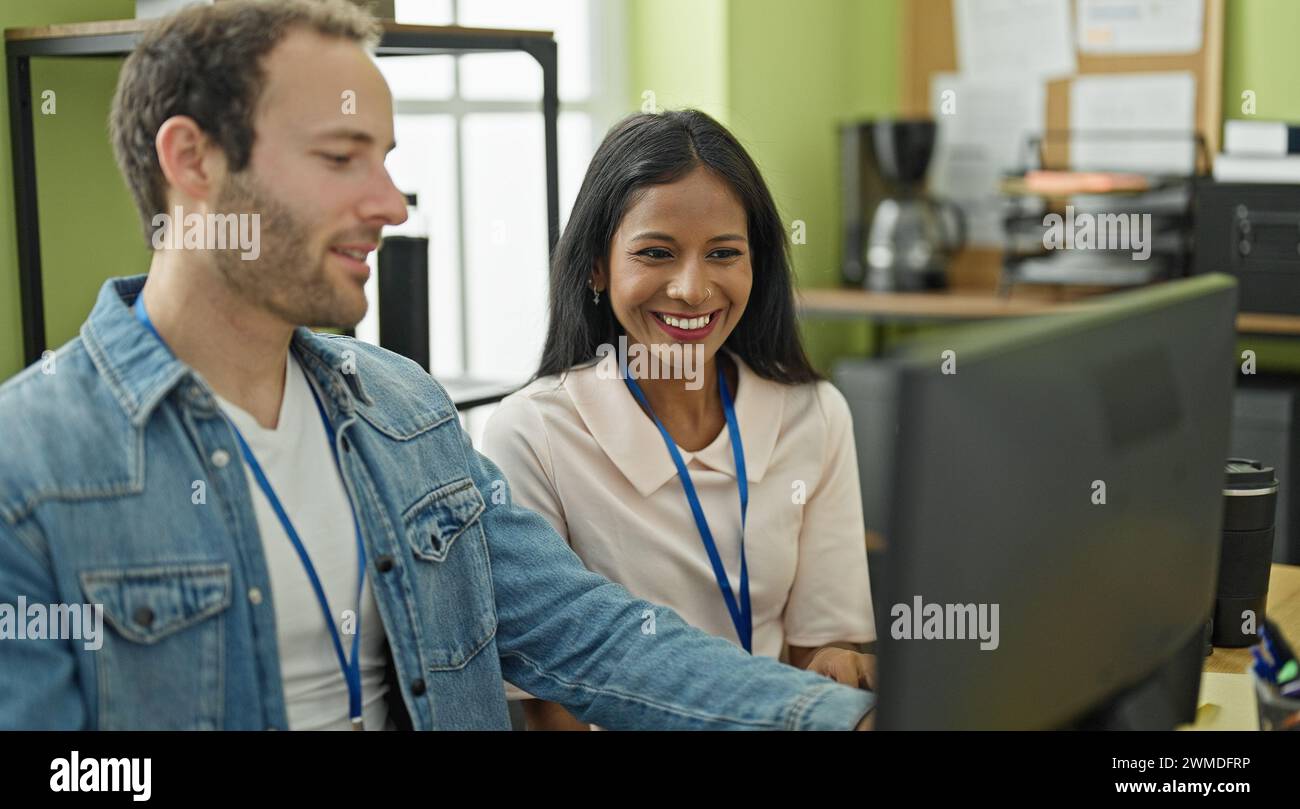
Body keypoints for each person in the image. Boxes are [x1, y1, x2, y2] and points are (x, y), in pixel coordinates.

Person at [0, 0, 873, 731]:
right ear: (192, 161)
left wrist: (830, 715)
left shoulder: (402, 410)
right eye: (342, 156)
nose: (388, 202)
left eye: (387, 161)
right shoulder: (29, 466)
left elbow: (597, 637)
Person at [483, 110, 876, 730]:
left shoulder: (814, 413)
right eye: (655, 253)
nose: (693, 289)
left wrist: (834, 662)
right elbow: (545, 700)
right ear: (595, 267)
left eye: (724, 253)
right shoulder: (533, 434)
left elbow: (817, 655)